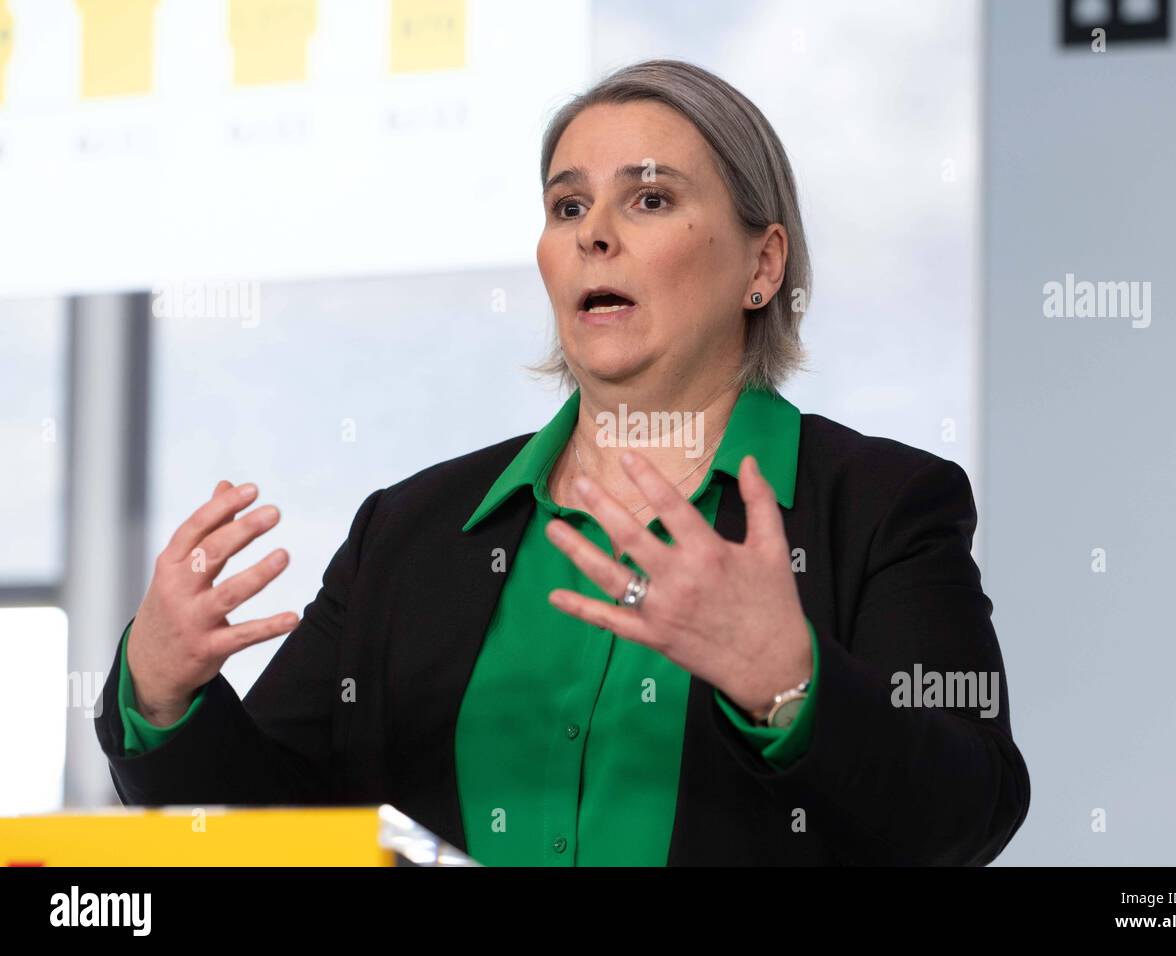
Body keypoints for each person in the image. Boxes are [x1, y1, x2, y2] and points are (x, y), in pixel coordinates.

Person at [95, 59, 1030, 866]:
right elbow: (276, 824)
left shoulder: (881, 507)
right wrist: (163, 693)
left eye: (651, 198)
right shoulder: (410, 533)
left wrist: (788, 681)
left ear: (763, 263)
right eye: (568, 204)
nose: (594, 233)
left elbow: (966, 814)